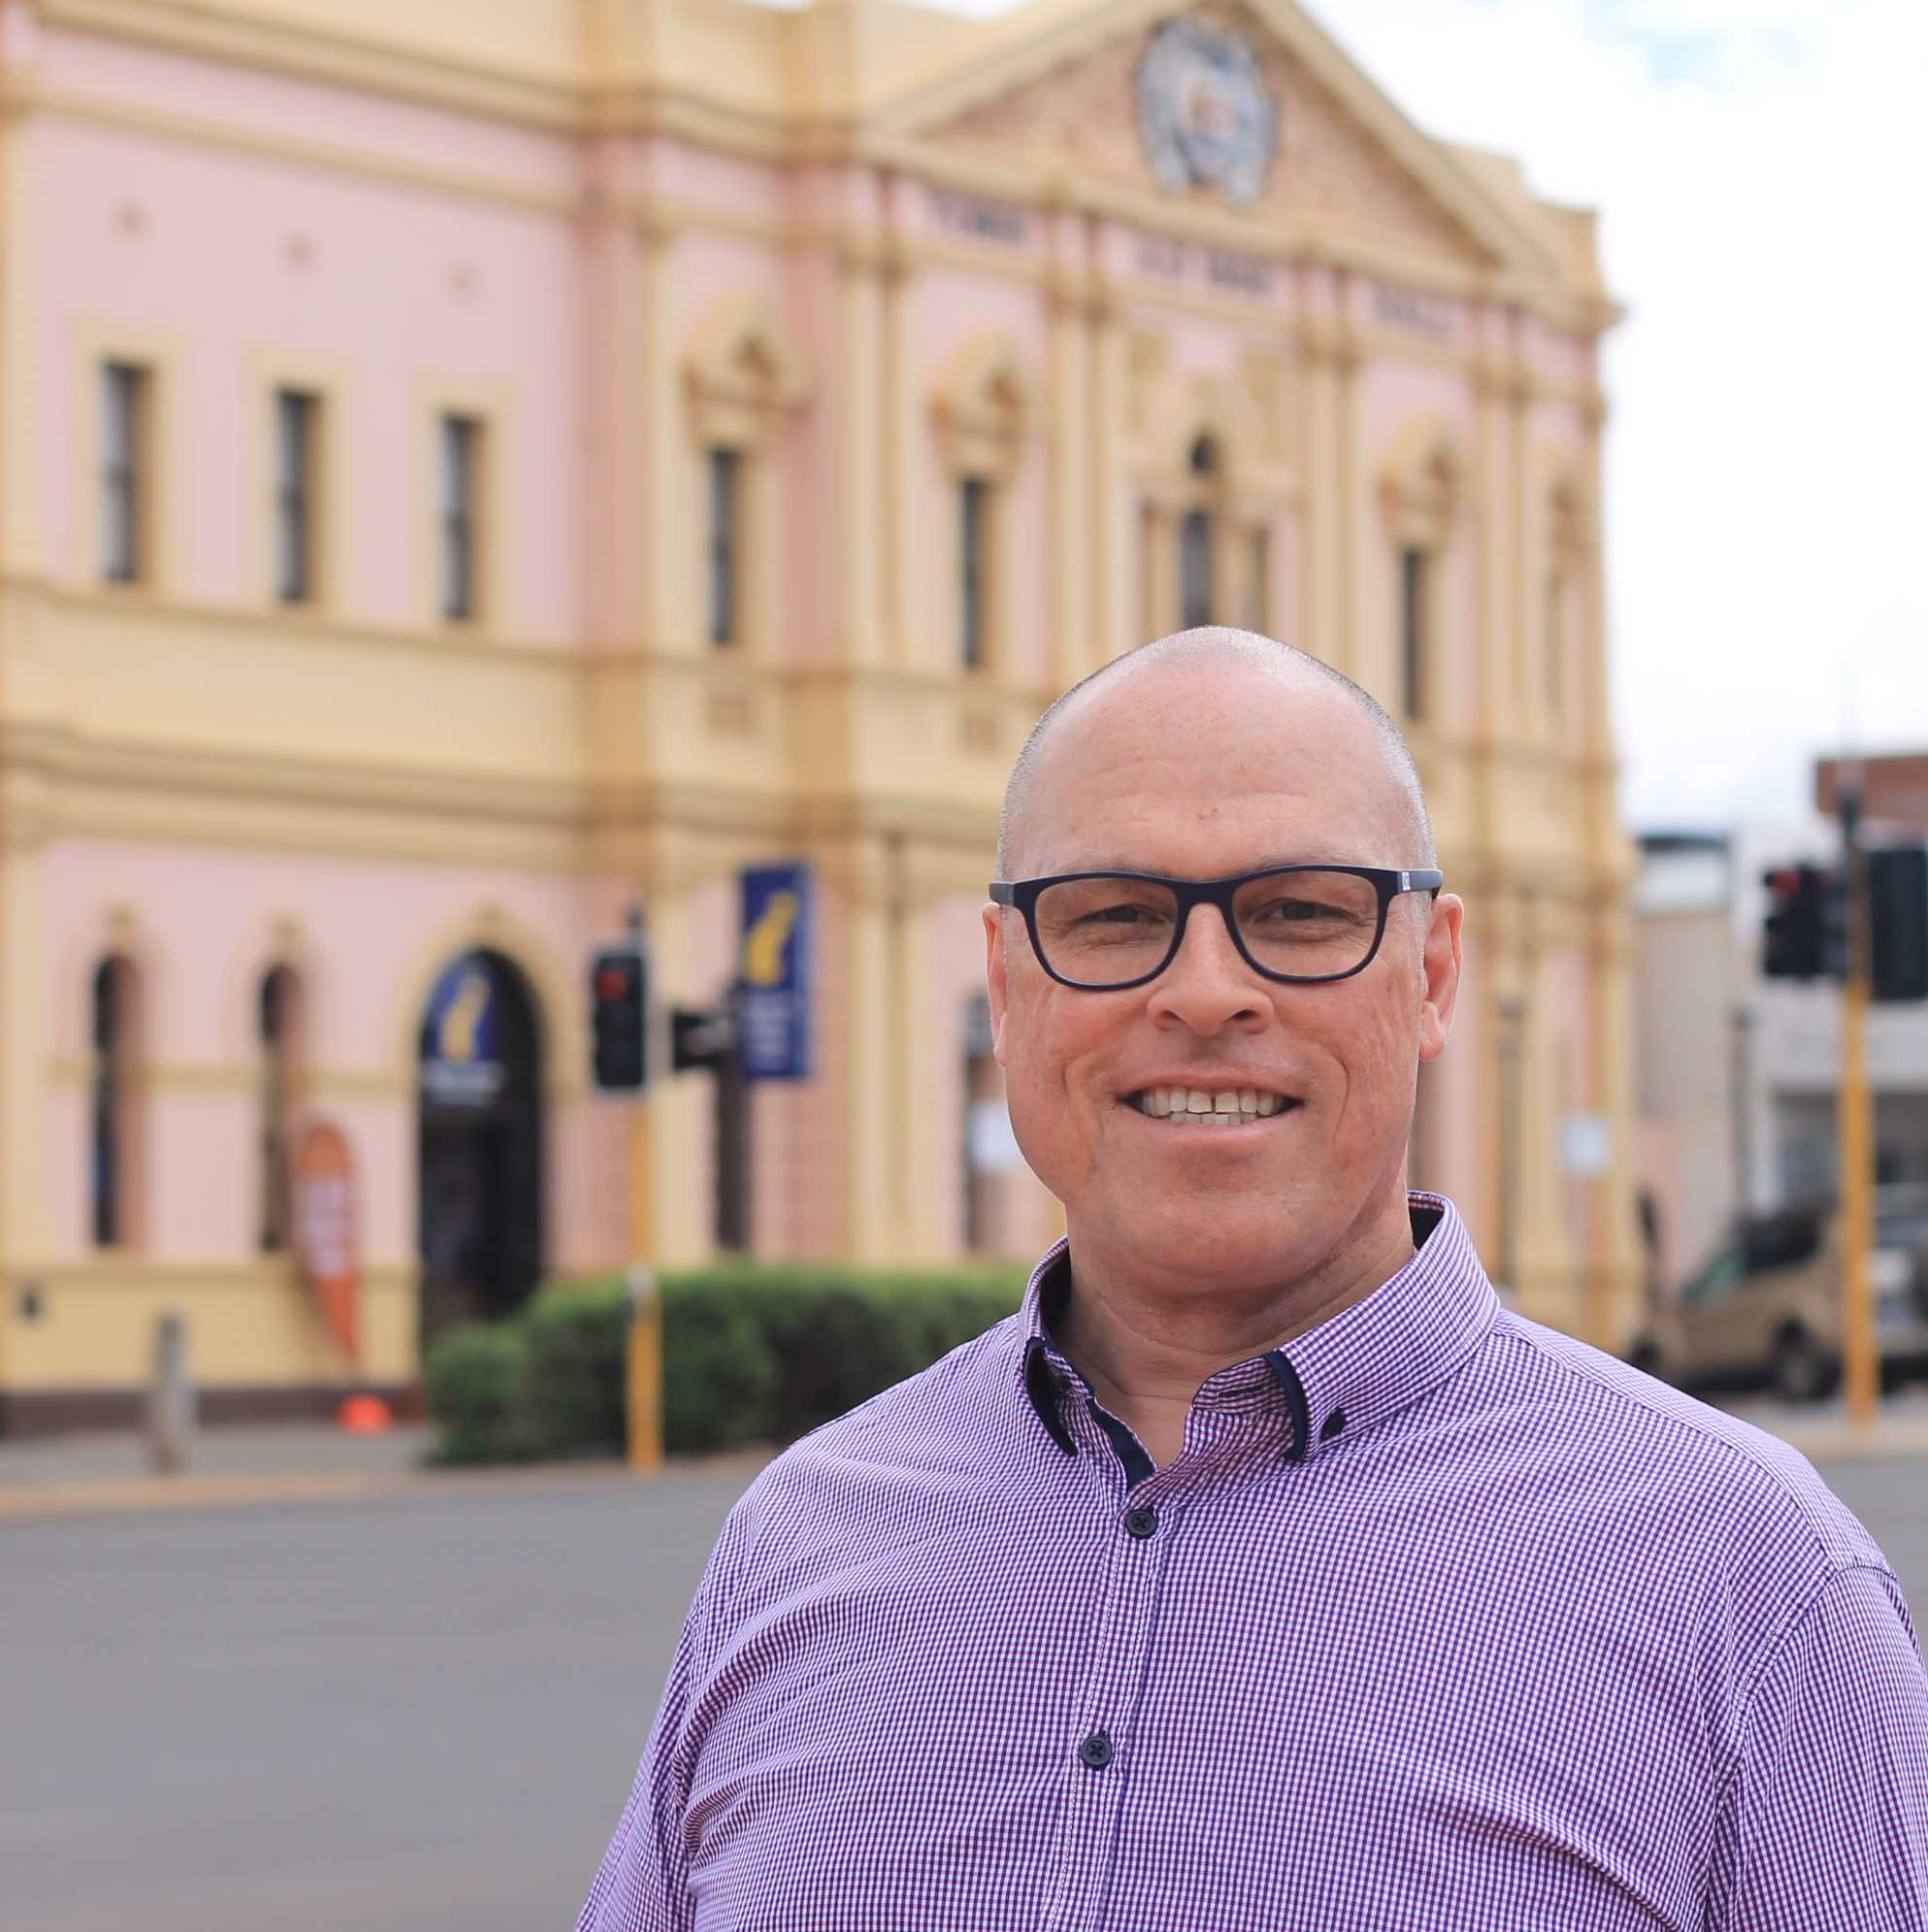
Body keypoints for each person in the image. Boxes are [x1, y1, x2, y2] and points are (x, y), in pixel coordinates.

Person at [578, 630, 1926, 1929]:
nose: (1207, 989)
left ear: (1434, 972)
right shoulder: (797, 1544)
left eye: (1297, 911)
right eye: (1114, 917)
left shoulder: (1749, 1585)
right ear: (1006, 982)